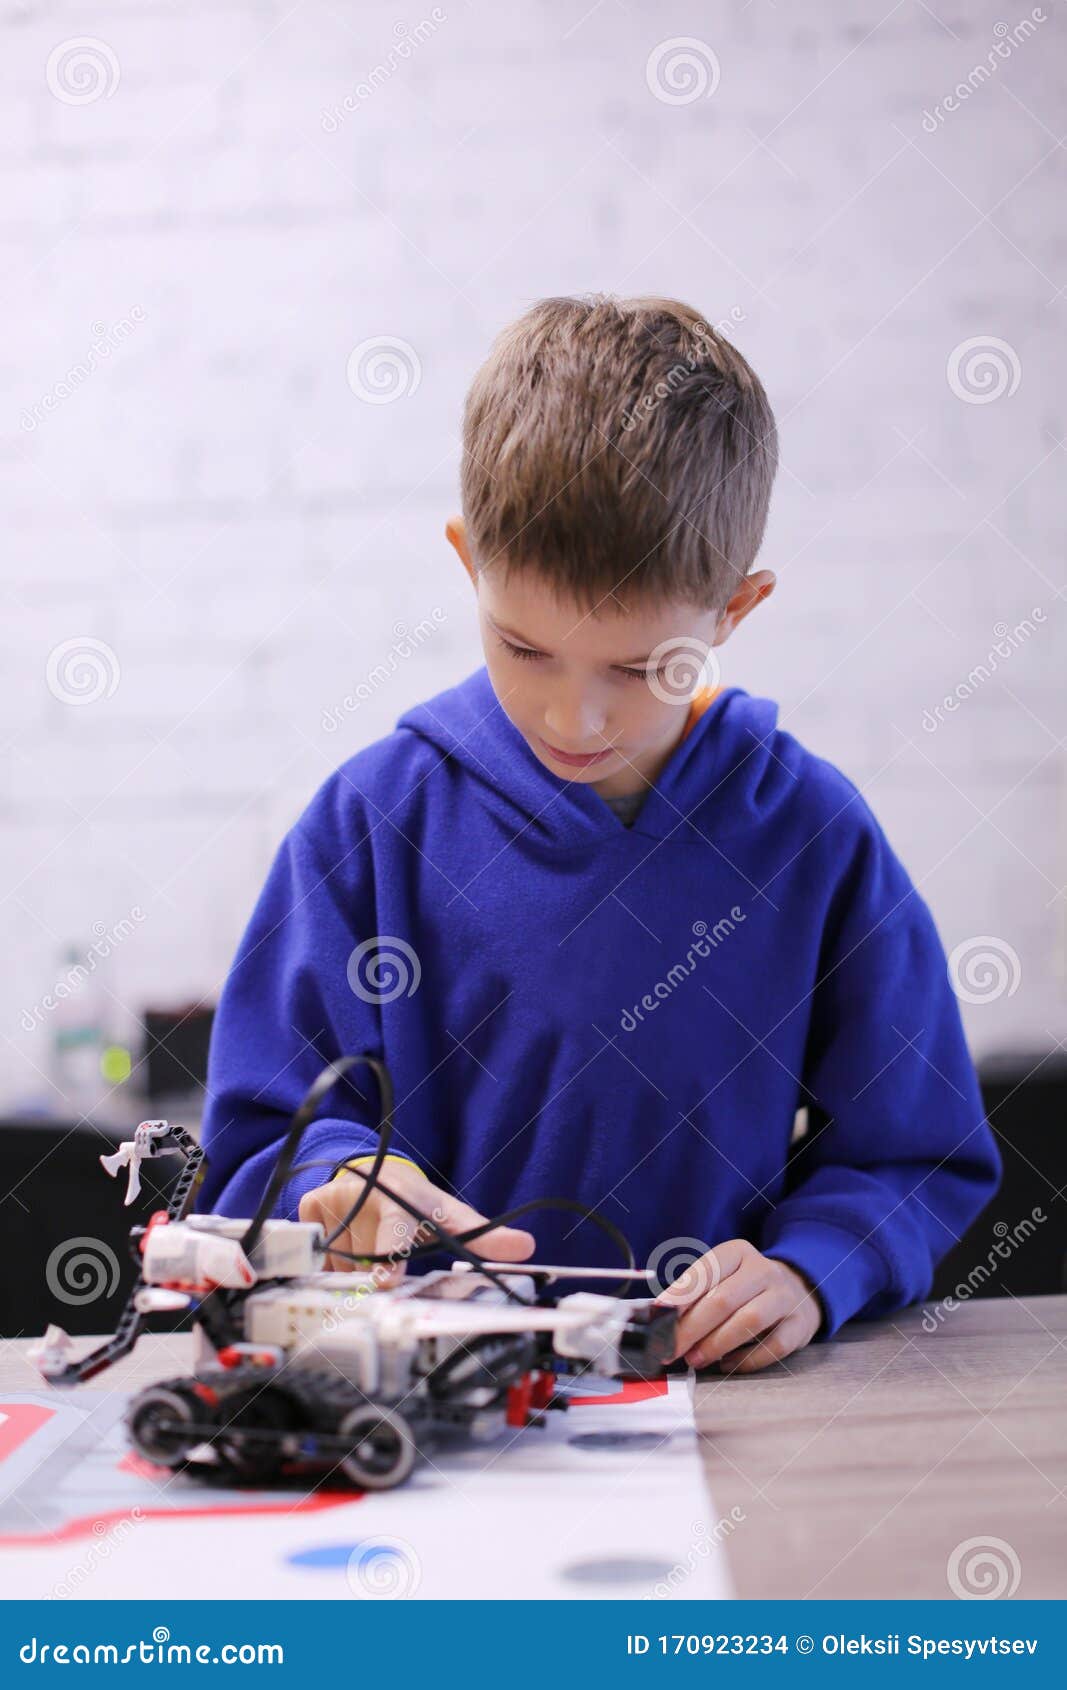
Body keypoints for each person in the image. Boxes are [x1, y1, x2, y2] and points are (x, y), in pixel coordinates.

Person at [196, 294, 1000, 1374]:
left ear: (736, 609)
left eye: (637, 669)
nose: (574, 718)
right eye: (523, 648)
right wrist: (333, 1183)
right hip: (430, 1417)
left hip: (722, 1420)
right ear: (464, 561)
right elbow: (258, 1137)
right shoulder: (370, 824)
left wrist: (812, 1268)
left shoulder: (810, 835)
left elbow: (916, 1154)